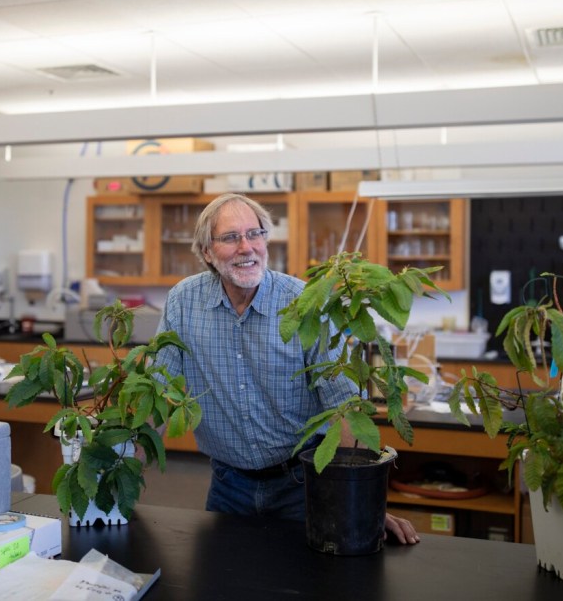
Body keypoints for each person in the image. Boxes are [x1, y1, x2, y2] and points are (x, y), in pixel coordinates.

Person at [153, 192, 420, 545]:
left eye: (255, 233)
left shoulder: (305, 302)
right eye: (231, 237)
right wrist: (117, 468)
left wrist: (356, 500)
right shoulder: (184, 302)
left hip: (303, 484)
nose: (246, 246)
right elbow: (157, 390)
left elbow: (343, 408)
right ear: (206, 251)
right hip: (227, 486)